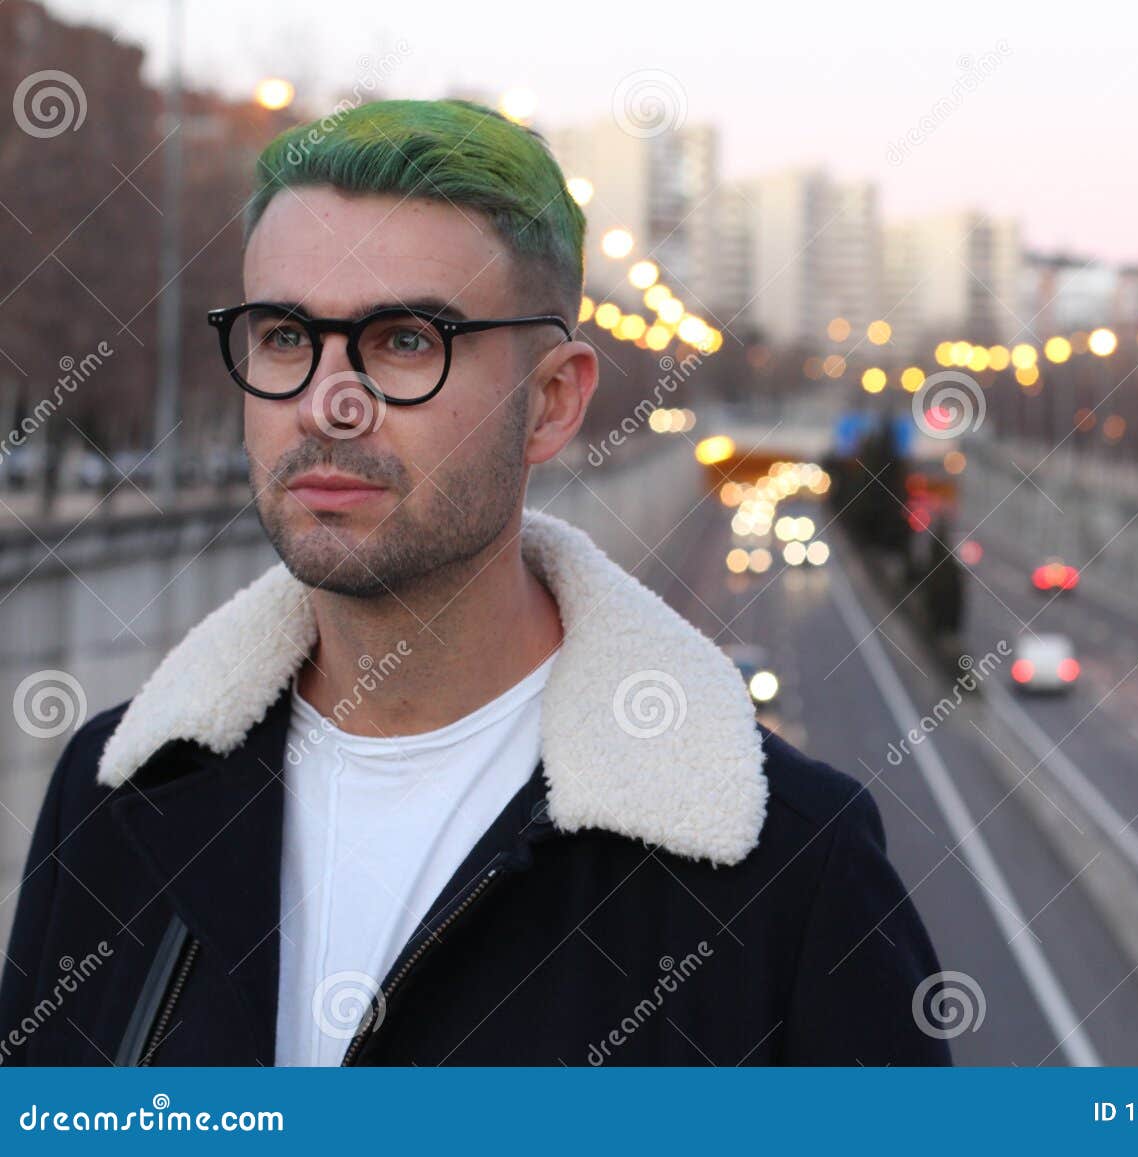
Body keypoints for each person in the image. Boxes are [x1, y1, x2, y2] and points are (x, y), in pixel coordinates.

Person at [0, 99, 950, 1066]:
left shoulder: (786, 872)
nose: (329, 404)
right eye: (285, 336)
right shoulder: (117, 793)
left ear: (550, 402)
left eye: (406, 340)